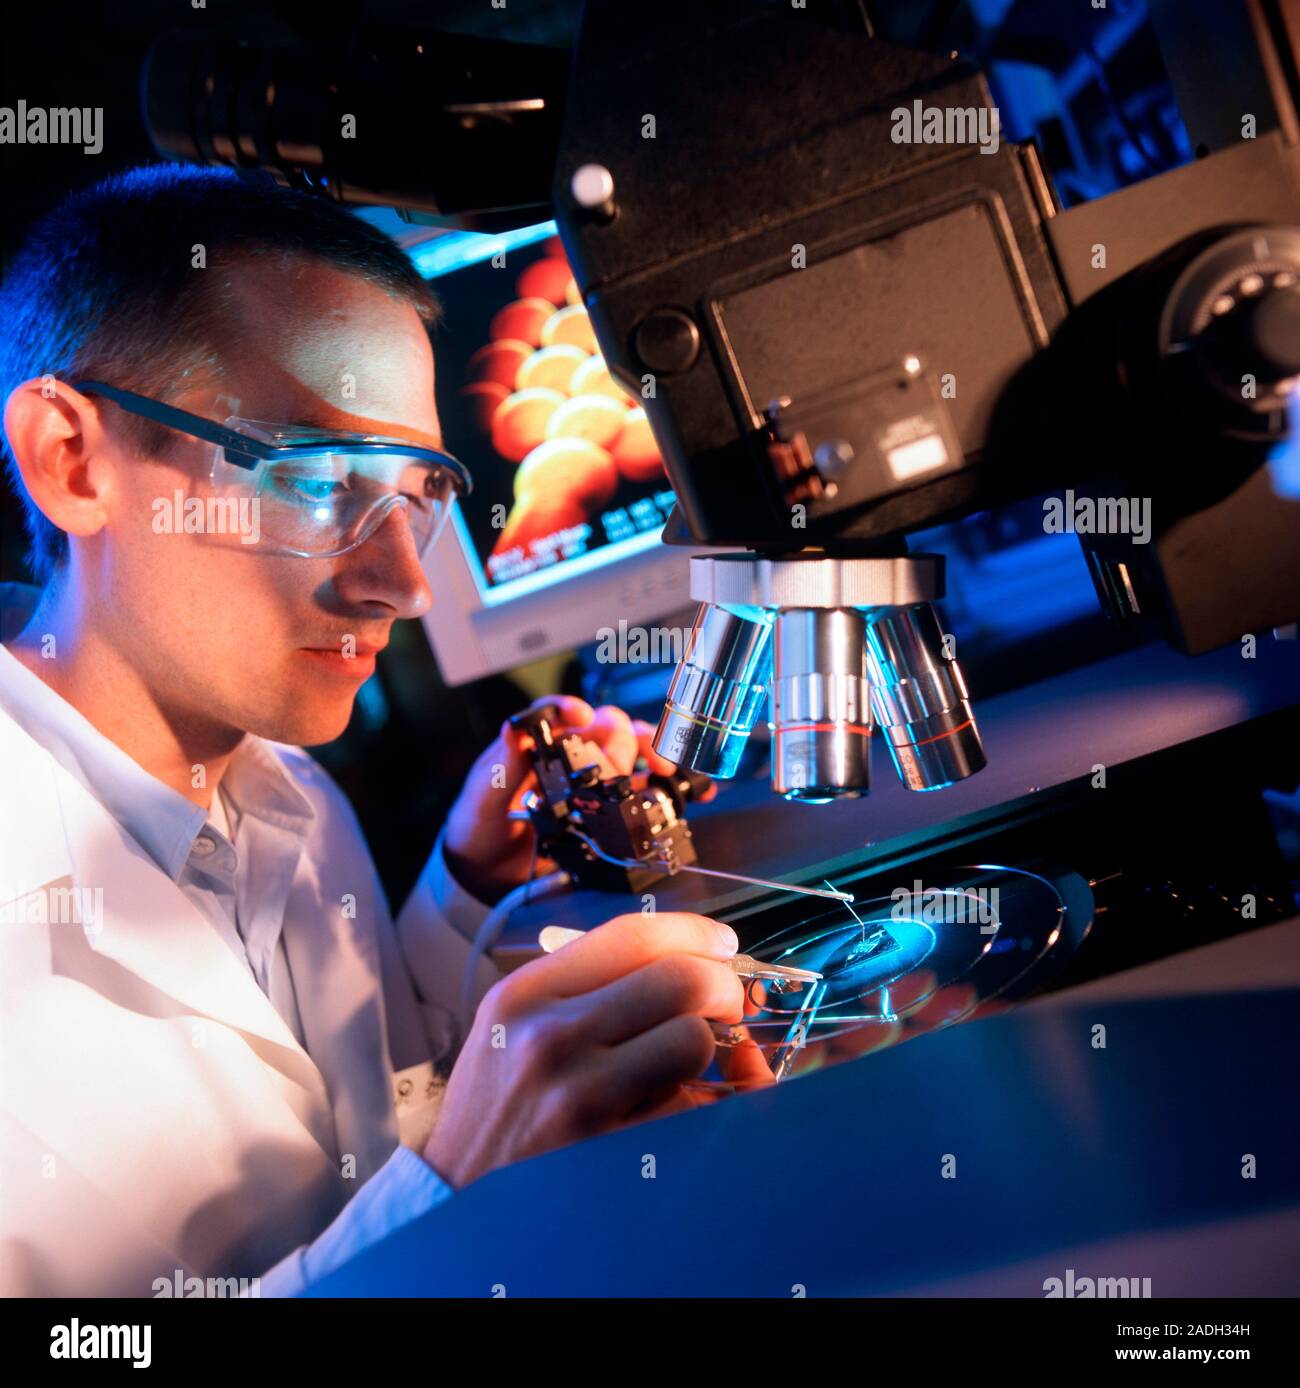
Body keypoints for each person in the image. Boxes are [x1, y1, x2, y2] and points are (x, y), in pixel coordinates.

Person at [0, 164, 753, 1297]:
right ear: (72, 457)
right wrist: (456, 1194)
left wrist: (455, 892)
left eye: (418, 491)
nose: (403, 583)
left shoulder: (284, 783)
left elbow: (353, 1124)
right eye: (316, 478)